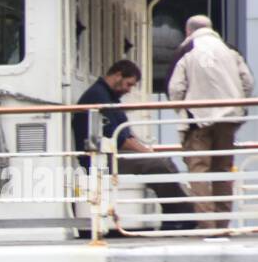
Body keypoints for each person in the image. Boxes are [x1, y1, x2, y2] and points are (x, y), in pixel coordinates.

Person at [73, 60, 191, 230]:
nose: (129, 89)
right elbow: (121, 140)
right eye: (129, 84)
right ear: (118, 75)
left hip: (112, 155)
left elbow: (126, 136)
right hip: (100, 160)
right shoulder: (98, 97)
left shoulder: (109, 97)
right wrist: (150, 154)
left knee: (166, 162)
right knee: (159, 165)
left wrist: (148, 152)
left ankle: (180, 214)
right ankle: (180, 217)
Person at [168, 15, 255, 230]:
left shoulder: (186, 50)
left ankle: (208, 223)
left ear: (188, 31)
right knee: (223, 170)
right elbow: (248, 82)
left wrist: (181, 109)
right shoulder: (229, 49)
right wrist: (237, 106)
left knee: (199, 170)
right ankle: (223, 222)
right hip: (228, 119)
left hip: (198, 119)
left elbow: (175, 88)